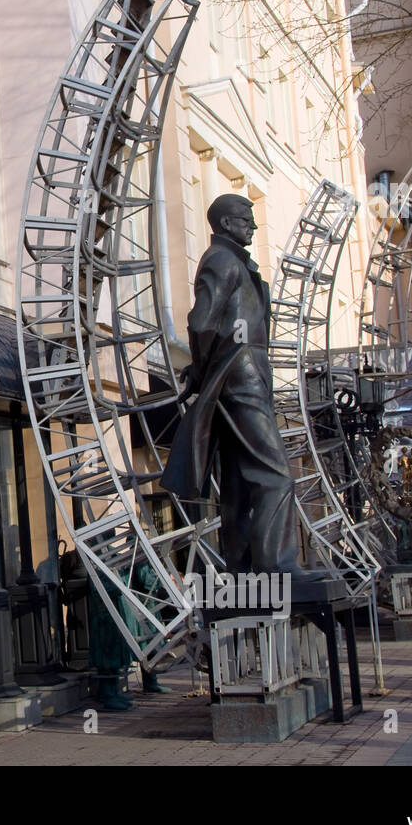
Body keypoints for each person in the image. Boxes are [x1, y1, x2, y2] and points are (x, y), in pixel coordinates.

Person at [160, 194, 317, 580]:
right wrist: (206, 370)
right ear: (226, 224)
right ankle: (276, 566)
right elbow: (202, 322)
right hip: (239, 371)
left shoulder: (235, 263)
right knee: (276, 474)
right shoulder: (222, 260)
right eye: (246, 219)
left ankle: (243, 568)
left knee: (239, 481)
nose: (254, 225)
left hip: (243, 370)